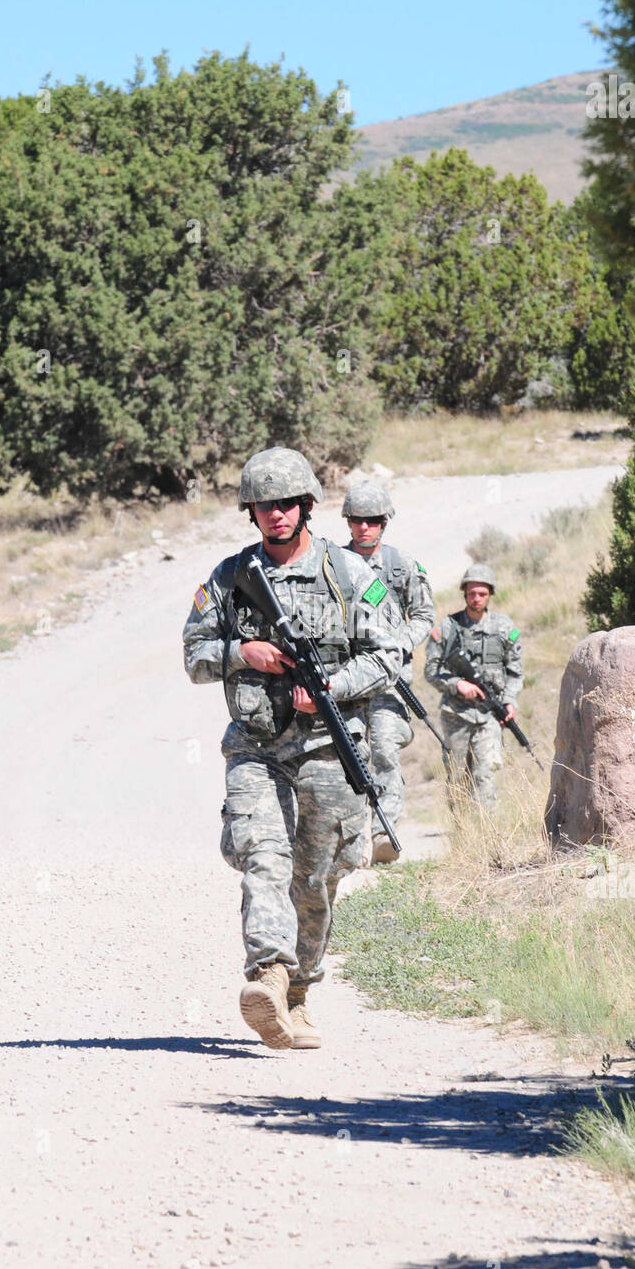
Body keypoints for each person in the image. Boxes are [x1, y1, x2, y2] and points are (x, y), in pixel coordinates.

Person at [182, 448, 402, 1051]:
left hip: (331, 747)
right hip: (256, 748)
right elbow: (194, 656)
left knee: (318, 879)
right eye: (263, 505)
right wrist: (240, 653)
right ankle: (268, 977)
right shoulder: (230, 578)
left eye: (286, 503)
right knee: (263, 858)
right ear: (250, 512)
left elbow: (389, 654)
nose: (276, 514)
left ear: (306, 506)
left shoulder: (349, 574)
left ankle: (299, 993)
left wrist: (329, 687)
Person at [341, 479, 435, 863]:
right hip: (345, 681)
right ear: (349, 521)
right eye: (358, 520)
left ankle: (383, 833)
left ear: (385, 522)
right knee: (346, 755)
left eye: (373, 520)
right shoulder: (333, 563)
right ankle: (347, 838)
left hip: (390, 683)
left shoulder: (402, 567)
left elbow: (424, 614)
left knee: (383, 750)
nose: (365, 528)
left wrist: (399, 644)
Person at [423, 563, 523, 812]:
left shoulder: (504, 628)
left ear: (490, 594)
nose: (476, 598)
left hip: (489, 714)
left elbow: (515, 672)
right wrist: (458, 684)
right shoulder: (447, 627)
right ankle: (462, 834)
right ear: (464, 593)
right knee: (457, 777)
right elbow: (430, 670)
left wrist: (510, 700)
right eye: (471, 593)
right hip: (455, 713)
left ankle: (488, 835)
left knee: (485, 773)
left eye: (482, 594)